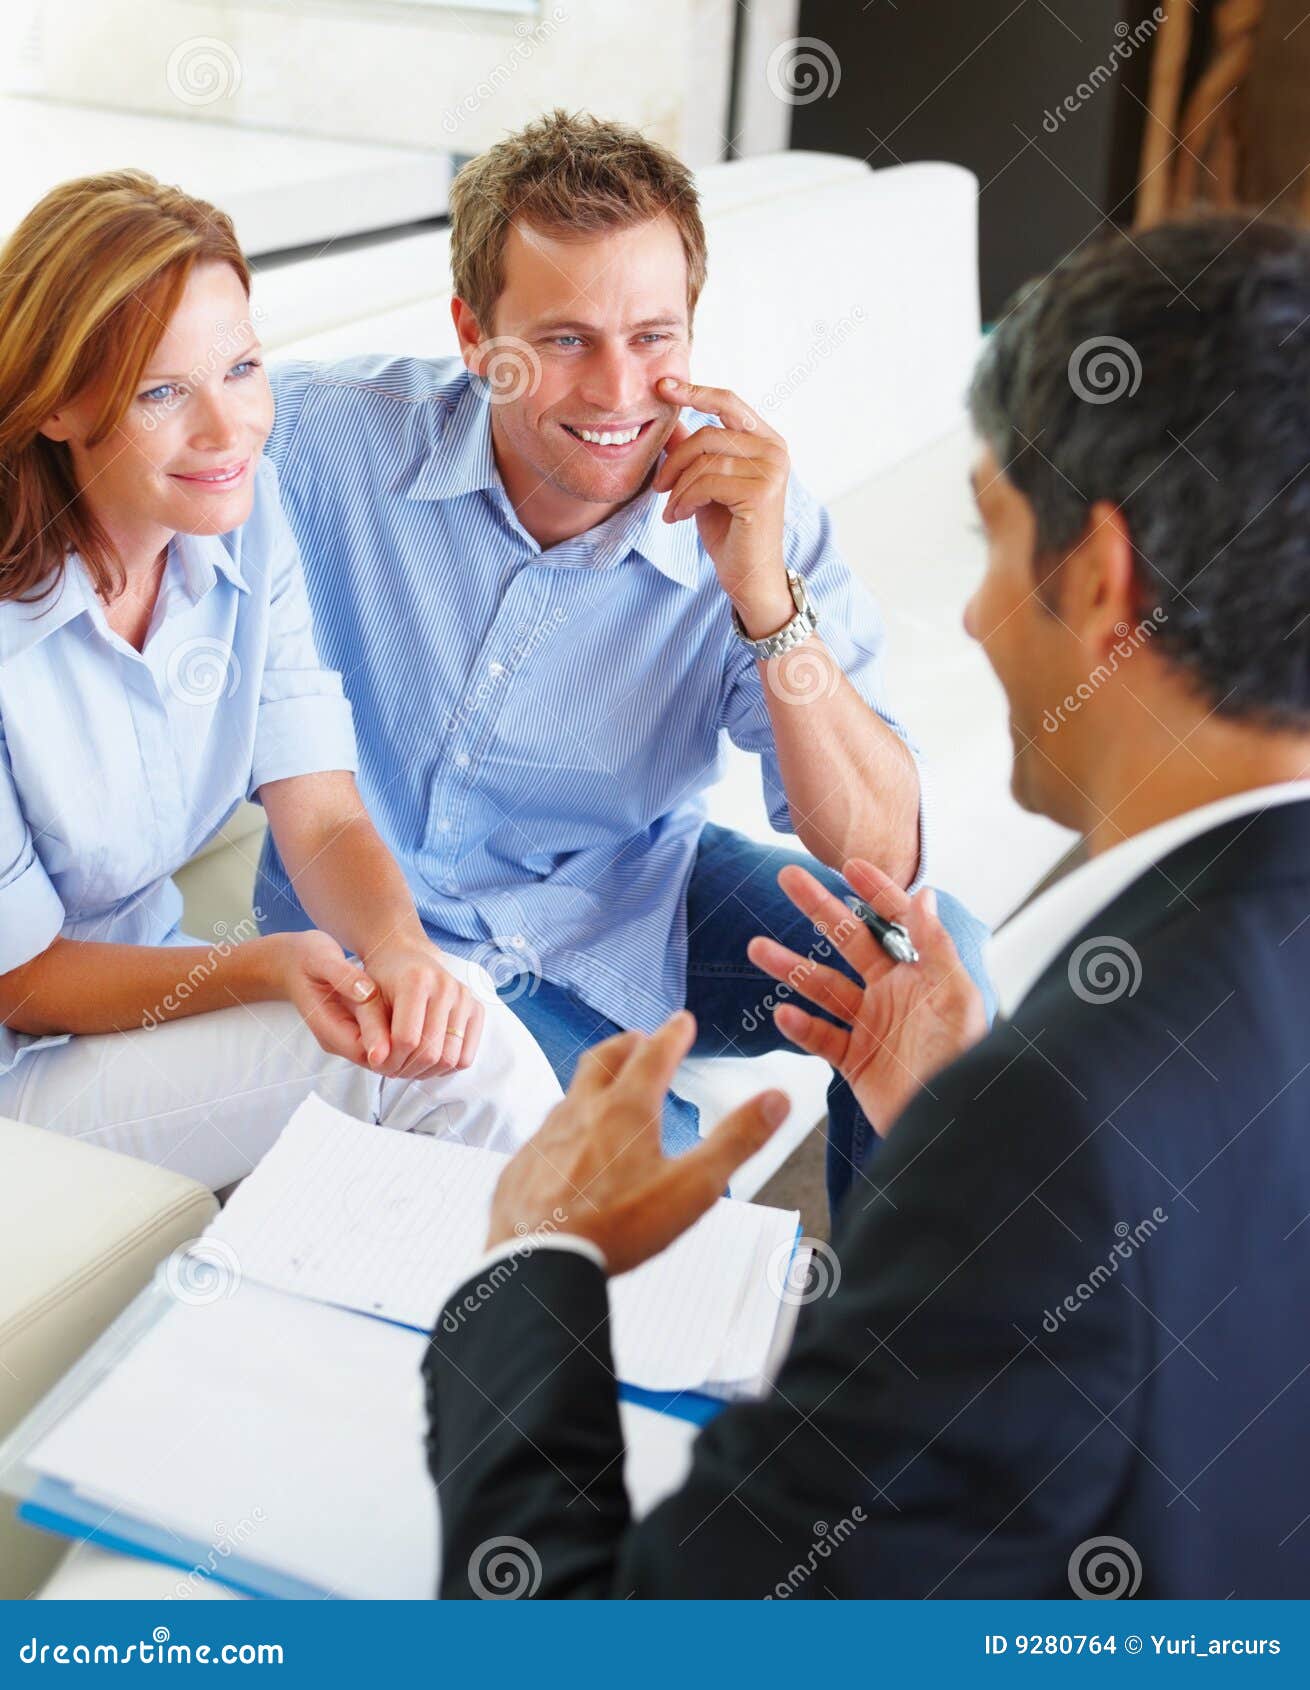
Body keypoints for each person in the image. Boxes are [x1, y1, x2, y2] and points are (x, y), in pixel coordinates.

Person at [424, 214, 1310, 1598]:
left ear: (1100, 580)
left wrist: (533, 1259)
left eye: (988, 535)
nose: (971, 616)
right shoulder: (1077, 1089)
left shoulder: (1049, 1120)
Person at [253, 110, 991, 1207]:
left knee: (933, 960)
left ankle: (903, 1312)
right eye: (565, 341)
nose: (615, 391)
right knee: (649, 1208)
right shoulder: (315, 443)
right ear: (473, 335)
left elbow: (882, 852)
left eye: (652, 338)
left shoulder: (759, 520)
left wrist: (762, 599)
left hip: (627, 901)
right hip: (396, 941)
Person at [0, 173, 560, 1190]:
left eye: (242, 368)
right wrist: (260, 966)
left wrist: (398, 949)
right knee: (452, 1063)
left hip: (138, 1009)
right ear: (59, 403)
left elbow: (325, 817)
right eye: (161, 391)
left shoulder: (243, 528)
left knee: (442, 1009)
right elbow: (22, 982)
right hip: (20, 1063)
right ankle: (577, 1290)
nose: (228, 430)